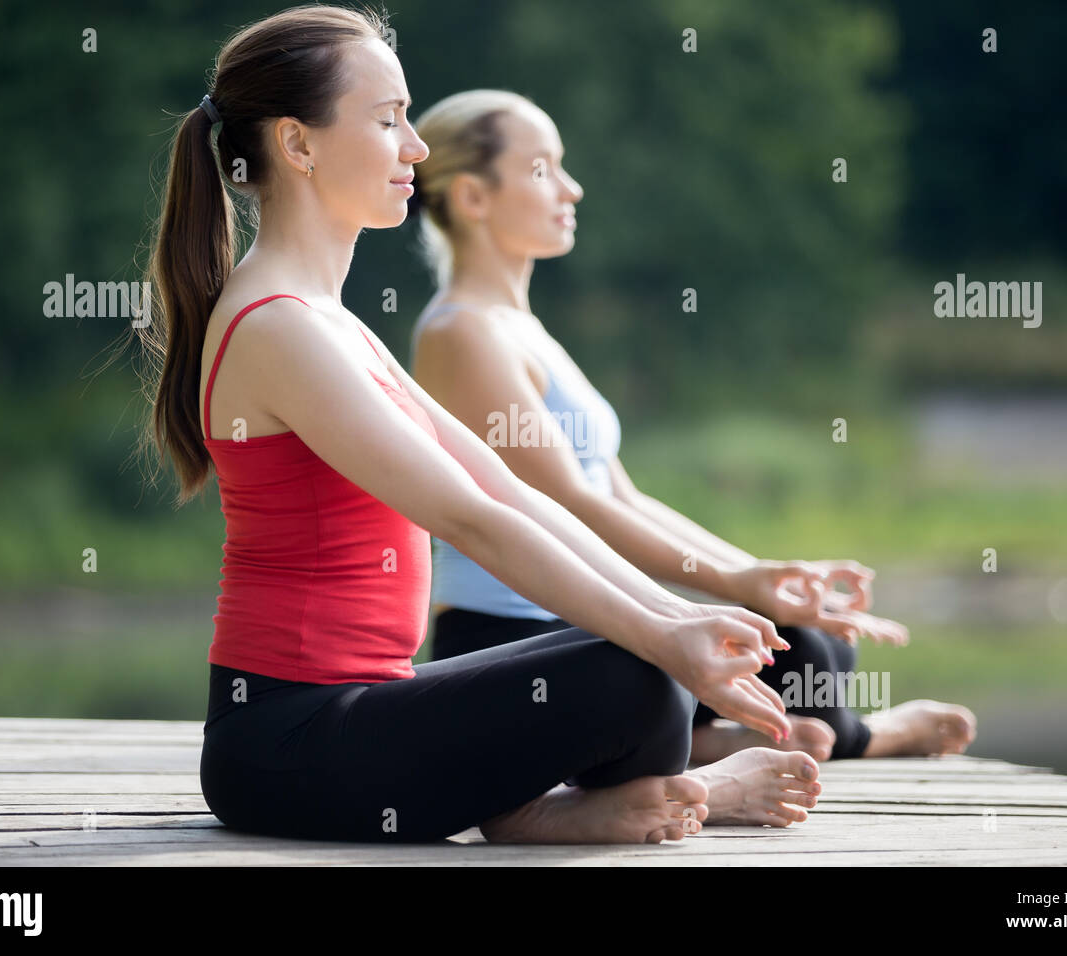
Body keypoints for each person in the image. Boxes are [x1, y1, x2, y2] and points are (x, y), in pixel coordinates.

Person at [136, 5, 821, 844]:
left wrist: (673, 621)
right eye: (388, 121)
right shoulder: (281, 327)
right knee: (637, 678)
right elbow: (469, 519)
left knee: (645, 663)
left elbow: (506, 488)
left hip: (366, 709)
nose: (415, 149)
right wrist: (664, 638)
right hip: (285, 746)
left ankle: (542, 808)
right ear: (299, 144)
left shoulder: (332, 323)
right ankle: (609, 803)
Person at [407, 89, 977, 764]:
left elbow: (622, 497)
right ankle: (844, 739)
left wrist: (759, 578)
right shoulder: (460, 333)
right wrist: (733, 591)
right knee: (795, 657)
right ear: (473, 197)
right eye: (543, 169)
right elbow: (571, 503)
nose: (573, 188)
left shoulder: (523, 330)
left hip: (587, 612)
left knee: (811, 643)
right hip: (510, 632)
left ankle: (719, 741)